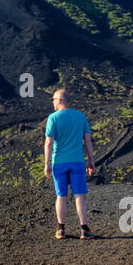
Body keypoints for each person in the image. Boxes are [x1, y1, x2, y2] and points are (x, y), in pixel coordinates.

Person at [44, 88, 96, 239]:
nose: (53, 102)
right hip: (78, 161)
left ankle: (61, 229)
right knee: (79, 195)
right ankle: (84, 229)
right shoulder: (81, 116)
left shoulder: (53, 118)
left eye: (53, 99)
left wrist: (47, 163)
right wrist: (91, 161)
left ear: (59, 100)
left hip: (59, 162)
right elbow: (87, 140)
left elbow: (48, 142)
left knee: (61, 196)